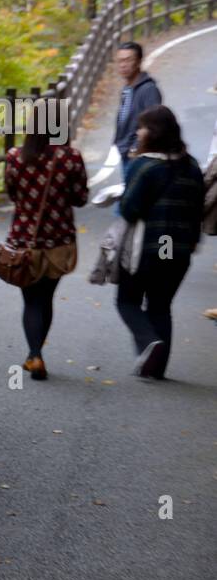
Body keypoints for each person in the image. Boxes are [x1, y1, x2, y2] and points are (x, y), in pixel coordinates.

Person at [115, 106, 204, 379]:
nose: (138, 132)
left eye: (141, 127)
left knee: (127, 300)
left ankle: (147, 342)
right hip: (179, 250)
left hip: (151, 247)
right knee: (160, 305)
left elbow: (129, 208)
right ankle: (156, 368)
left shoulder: (144, 166)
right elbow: (197, 208)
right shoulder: (191, 166)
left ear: (152, 133)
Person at [2, 102, 88, 379]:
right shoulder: (71, 157)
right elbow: (80, 198)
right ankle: (35, 354)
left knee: (31, 301)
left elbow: (12, 194)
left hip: (25, 241)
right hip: (59, 241)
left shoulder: (16, 157)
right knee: (46, 298)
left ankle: (34, 355)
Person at [112, 41, 162, 178]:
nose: (123, 65)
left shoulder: (149, 89)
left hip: (138, 155)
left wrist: (136, 148)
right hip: (125, 151)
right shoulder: (127, 88)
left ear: (139, 61)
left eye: (128, 60)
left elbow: (154, 124)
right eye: (120, 61)